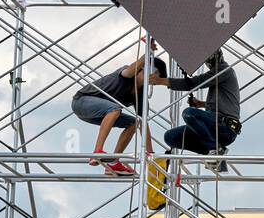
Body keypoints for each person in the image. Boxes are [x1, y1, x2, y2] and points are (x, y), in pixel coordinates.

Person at [71, 44, 168, 176]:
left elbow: (143, 123)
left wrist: (150, 154)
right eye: (154, 77)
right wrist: (148, 54)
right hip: (81, 101)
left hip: (98, 113)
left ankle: (113, 162)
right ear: (146, 70)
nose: (153, 82)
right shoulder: (127, 73)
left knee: (134, 123)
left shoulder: (140, 95)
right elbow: (132, 69)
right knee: (115, 109)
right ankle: (97, 151)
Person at [154, 49, 241, 173]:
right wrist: (202, 104)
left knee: (188, 113)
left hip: (225, 127)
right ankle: (214, 152)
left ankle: (215, 150)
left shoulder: (224, 70)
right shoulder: (222, 74)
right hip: (216, 125)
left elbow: (194, 83)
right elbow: (227, 102)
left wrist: (161, 81)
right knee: (170, 137)